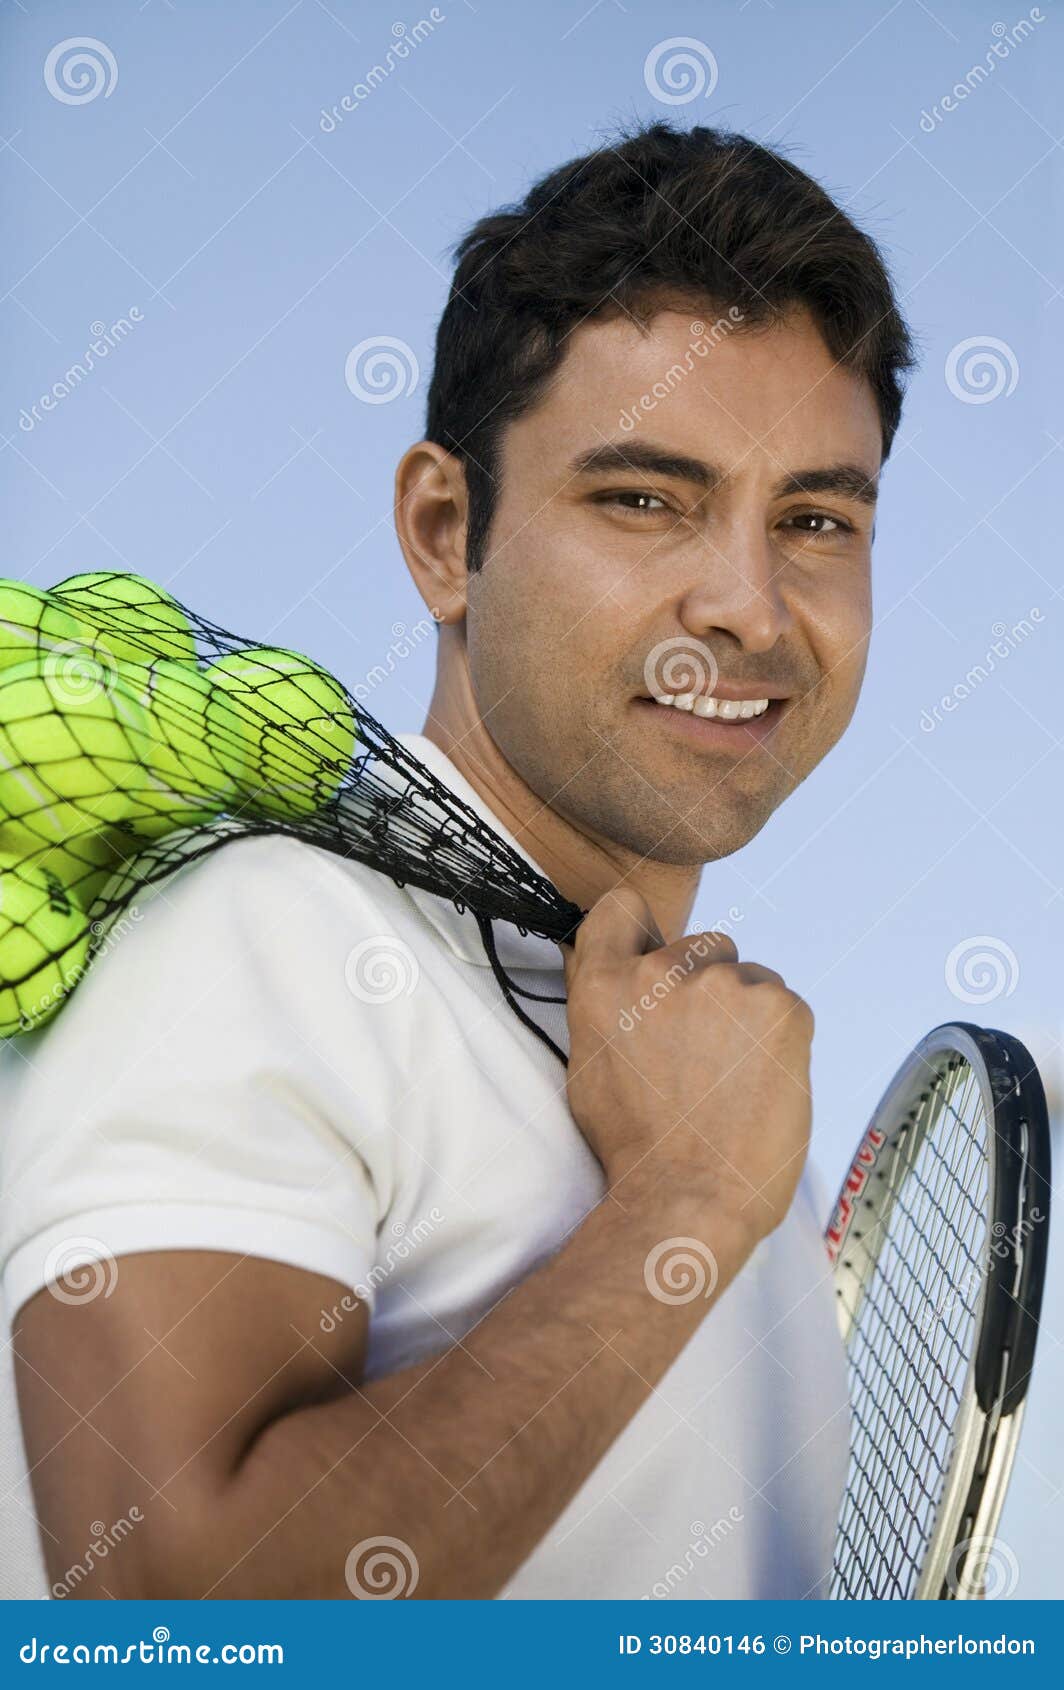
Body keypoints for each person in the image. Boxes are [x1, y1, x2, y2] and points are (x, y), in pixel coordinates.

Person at [0, 120, 915, 1600]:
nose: (750, 604)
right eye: (644, 499)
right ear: (444, 531)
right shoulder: (259, 933)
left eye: (816, 519)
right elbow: (170, 1615)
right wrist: (677, 1203)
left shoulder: (750, 1127)